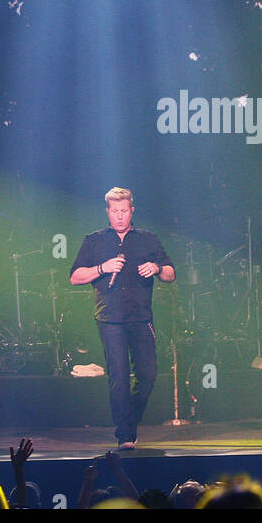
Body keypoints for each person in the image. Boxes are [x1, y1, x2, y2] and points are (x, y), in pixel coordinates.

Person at [69, 187, 174, 448]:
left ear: (132, 210)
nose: (119, 216)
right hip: (109, 318)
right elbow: (74, 277)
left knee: (148, 374)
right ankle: (125, 436)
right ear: (107, 211)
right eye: (114, 211)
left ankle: (129, 421)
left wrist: (157, 268)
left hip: (140, 317)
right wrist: (101, 268)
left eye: (123, 211)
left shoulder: (147, 239)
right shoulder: (94, 240)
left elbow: (171, 273)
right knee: (119, 375)